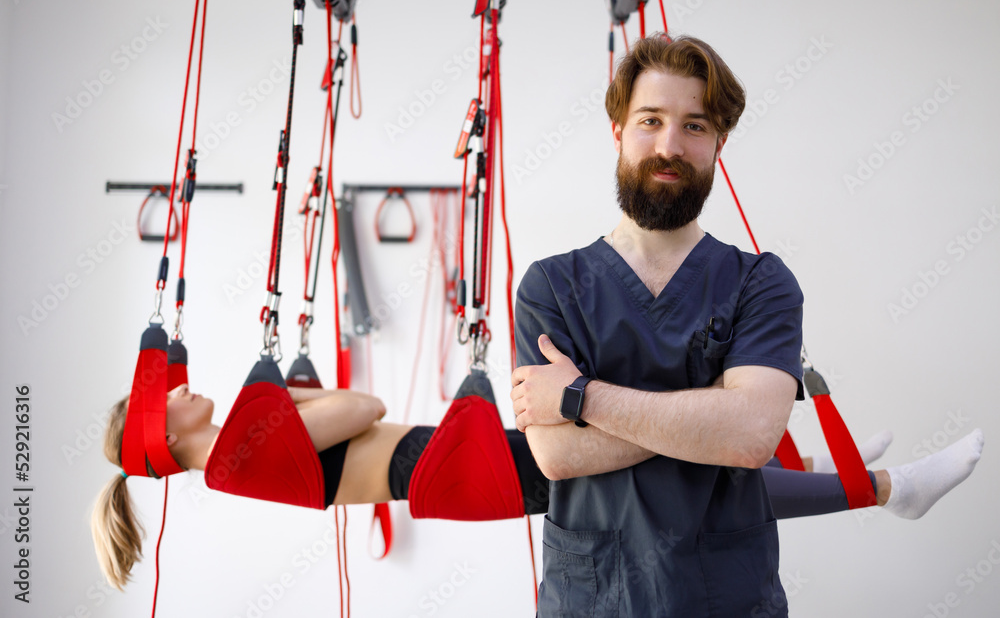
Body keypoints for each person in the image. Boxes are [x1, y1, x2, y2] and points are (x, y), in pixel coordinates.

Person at [507, 33, 983, 616]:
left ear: (719, 143)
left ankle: (873, 480)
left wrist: (579, 396)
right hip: (594, 594)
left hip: (723, 593)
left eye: (695, 126)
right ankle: (879, 483)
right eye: (650, 120)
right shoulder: (551, 285)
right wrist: (710, 413)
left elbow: (751, 437)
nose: (670, 145)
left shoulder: (760, 282)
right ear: (618, 132)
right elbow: (557, 456)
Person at [93, 382, 983, 593]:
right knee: (673, 455)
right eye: (162, 392)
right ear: (162, 429)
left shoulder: (239, 453)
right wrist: (281, 399)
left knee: (682, 464)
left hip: (465, 464)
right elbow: (362, 402)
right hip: (471, 467)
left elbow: (347, 421)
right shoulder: (235, 454)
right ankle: (882, 487)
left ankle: (846, 479)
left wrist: (280, 398)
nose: (178, 380)